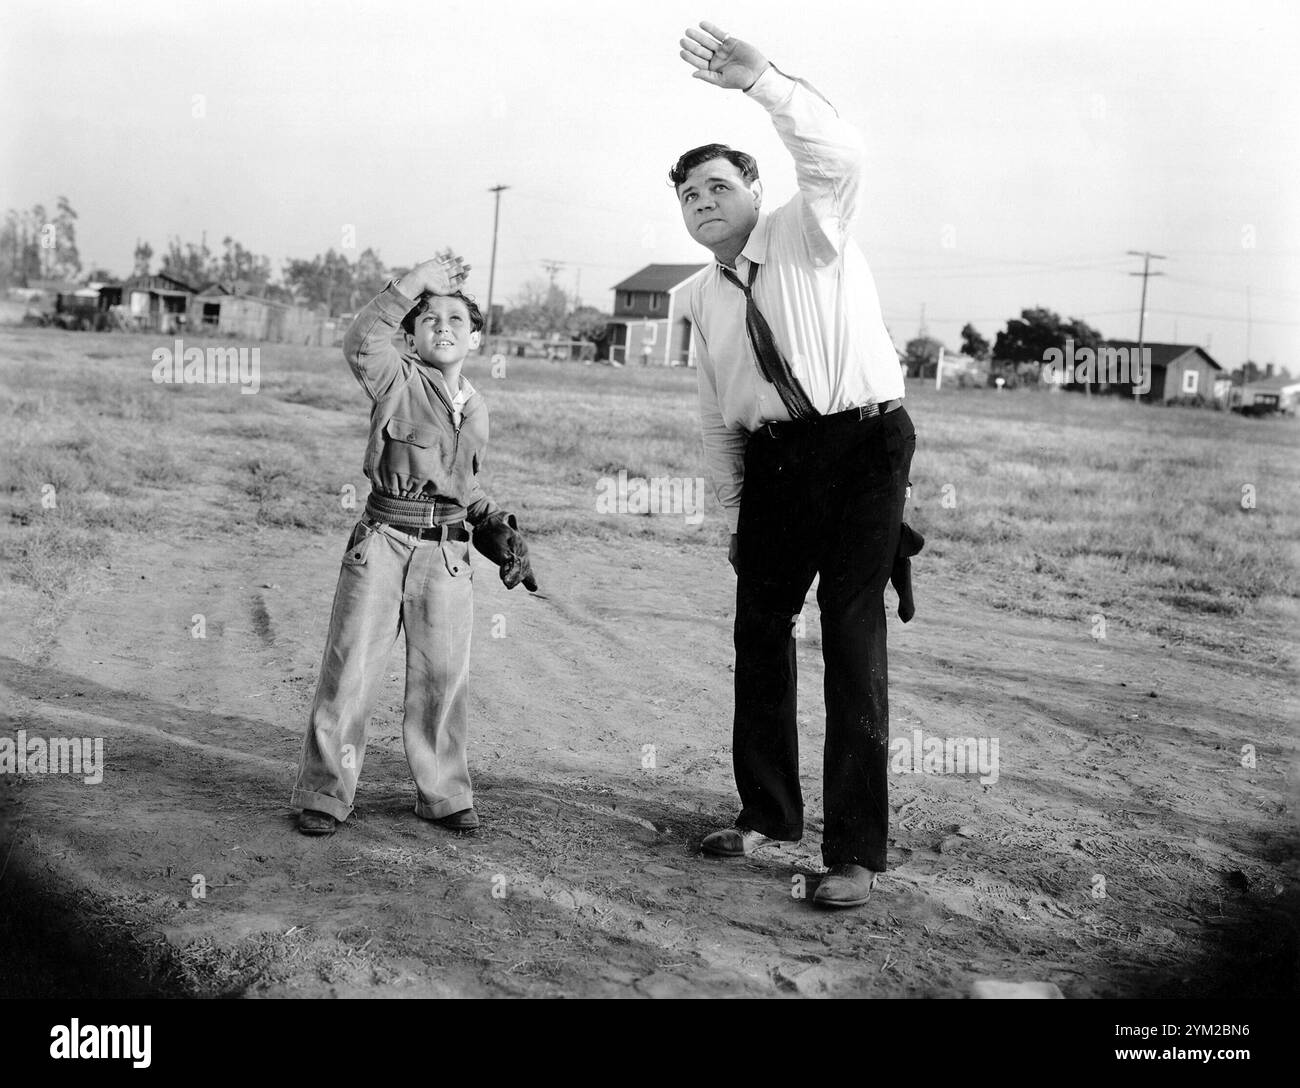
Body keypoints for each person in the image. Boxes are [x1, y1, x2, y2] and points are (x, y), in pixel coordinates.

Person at [674, 22, 917, 909]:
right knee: (758, 630)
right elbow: (715, 413)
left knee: (852, 635)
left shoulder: (811, 228)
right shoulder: (695, 297)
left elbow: (840, 154)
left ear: (755, 190)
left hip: (864, 443)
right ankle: (767, 815)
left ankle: (853, 855)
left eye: (717, 185)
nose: (702, 202)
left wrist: (762, 83)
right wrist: (733, 514)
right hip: (776, 462)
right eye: (688, 195)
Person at [291, 253, 538, 837]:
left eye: (457, 319)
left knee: (443, 678)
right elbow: (360, 342)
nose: (443, 326)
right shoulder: (395, 378)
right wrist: (411, 285)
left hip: (447, 555)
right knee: (351, 669)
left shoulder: (476, 407)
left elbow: (464, 485)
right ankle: (325, 794)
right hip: (383, 542)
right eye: (430, 318)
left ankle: (445, 793)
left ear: (475, 338)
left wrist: (493, 524)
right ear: (411, 334)